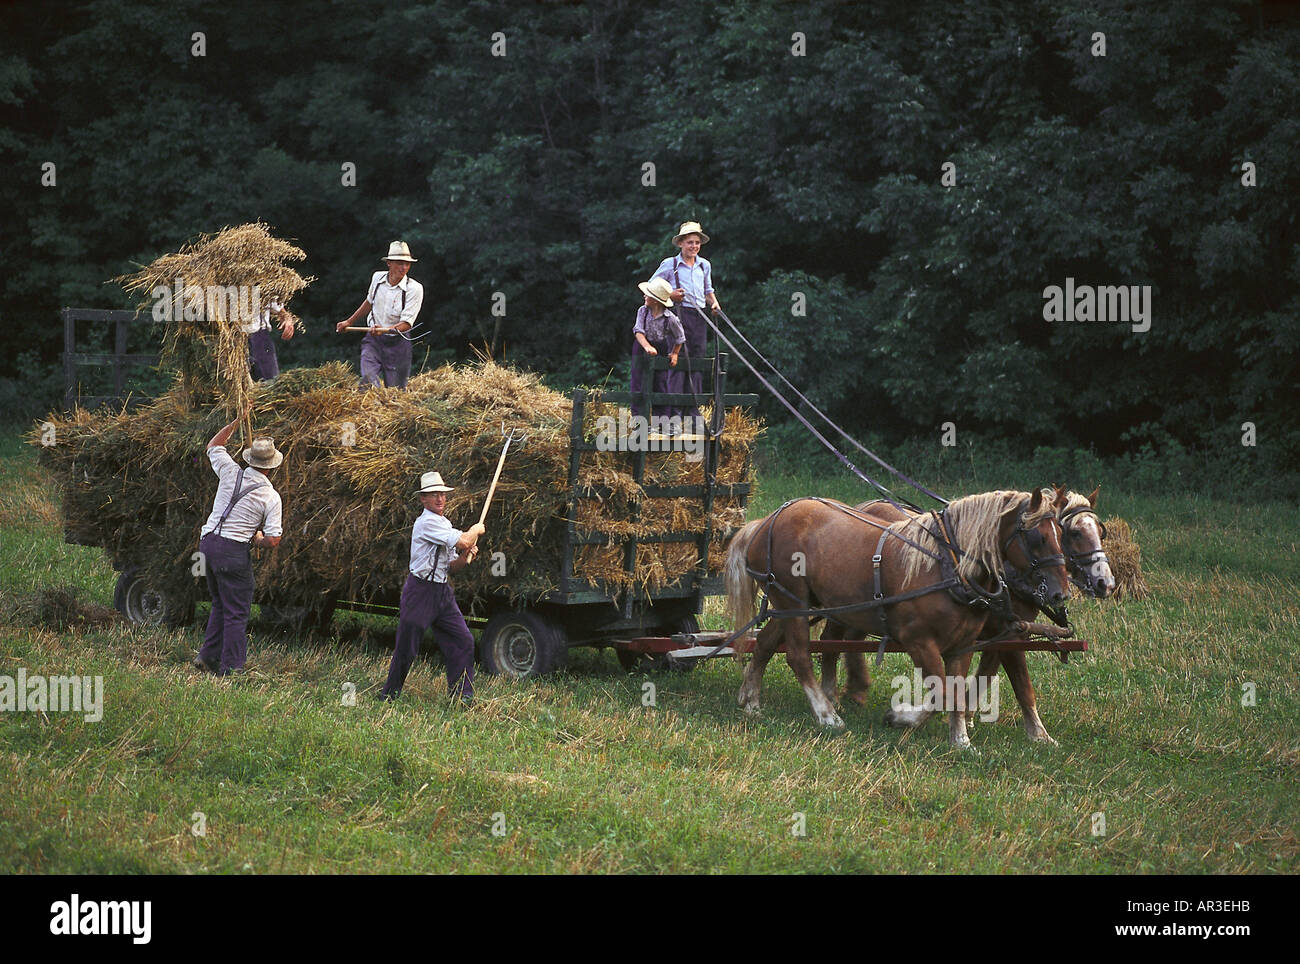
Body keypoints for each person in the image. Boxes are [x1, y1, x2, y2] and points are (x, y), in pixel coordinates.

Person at [379, 471, 485, 702]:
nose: (439, 499)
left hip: (442, 592)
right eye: (433, 495)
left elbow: (450, 566)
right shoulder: (426, 523)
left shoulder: (444, 524)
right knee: (407, 648)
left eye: (442, 495)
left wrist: (466, 557)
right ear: (423, 500)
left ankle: (462, 696)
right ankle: (390, 694)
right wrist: (475, 530)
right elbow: (466, 538)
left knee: (463, 640)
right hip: (420, 592)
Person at [194, 415, 284, 676]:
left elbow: (213, 445)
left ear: (249, 459)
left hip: (207, 545)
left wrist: (236, 422)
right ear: (271, 467)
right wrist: (257, 539)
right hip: (233, 553)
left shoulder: (230, 470)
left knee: (220, 604)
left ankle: (207, 656)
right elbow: (274, 539)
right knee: (236, 613)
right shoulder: (270, 496)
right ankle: (231, 668)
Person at [650, 222, 723, 418]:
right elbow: (651, 289)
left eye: (697, 242)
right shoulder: (669, 264)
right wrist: (671, 295)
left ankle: (693, 413)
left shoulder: (704, 265)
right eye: (690, 242)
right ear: (681, 243)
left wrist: (714, 304)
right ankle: (674, 414)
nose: (694, 246)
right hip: (676, 315)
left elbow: (708, 291)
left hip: (699, 316)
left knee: (697, 362)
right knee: (678, 361)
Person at [335, 241, 424, 389]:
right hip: (373, 341)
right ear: (389, 263)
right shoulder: (377, 278)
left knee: (395, 393)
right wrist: (349, 322)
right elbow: (369, 302)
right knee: (368, 381)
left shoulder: (414, 289)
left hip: (398, 344)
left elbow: (406, 324)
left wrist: (384, 329)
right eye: (399, 263)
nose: (404, 268)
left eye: (407, 264)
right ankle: (370, 408)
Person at [629, 276, 685, 422]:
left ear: (655, 300)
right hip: (641, 347)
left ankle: (661, 421)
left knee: (660, 384)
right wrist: (647, 346)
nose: (644, 296)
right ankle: (638, 419)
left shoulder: (670, 318)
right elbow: (638, 331)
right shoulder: (643, 311)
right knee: (637, 382)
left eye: (647, 294)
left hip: (660, 347)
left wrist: (675, 353)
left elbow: (680, 337)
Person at [248, 298, 295, 381]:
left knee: (269, 384)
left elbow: (279, 308)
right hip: (231, 340)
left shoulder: (262, 287)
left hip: (258, 337)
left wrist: (286, 318)